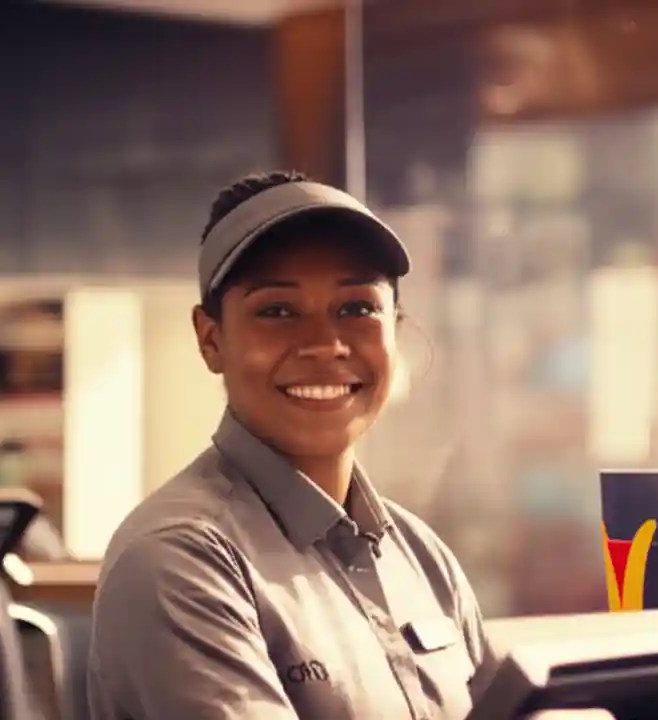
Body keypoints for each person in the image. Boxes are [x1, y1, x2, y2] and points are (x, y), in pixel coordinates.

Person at [87, 171, 495, 719]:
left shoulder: (420, 556)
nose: (325, 345)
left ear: (394, 329)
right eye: (278, 311)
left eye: (357, 308)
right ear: (211, 340)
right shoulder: (177, 560)